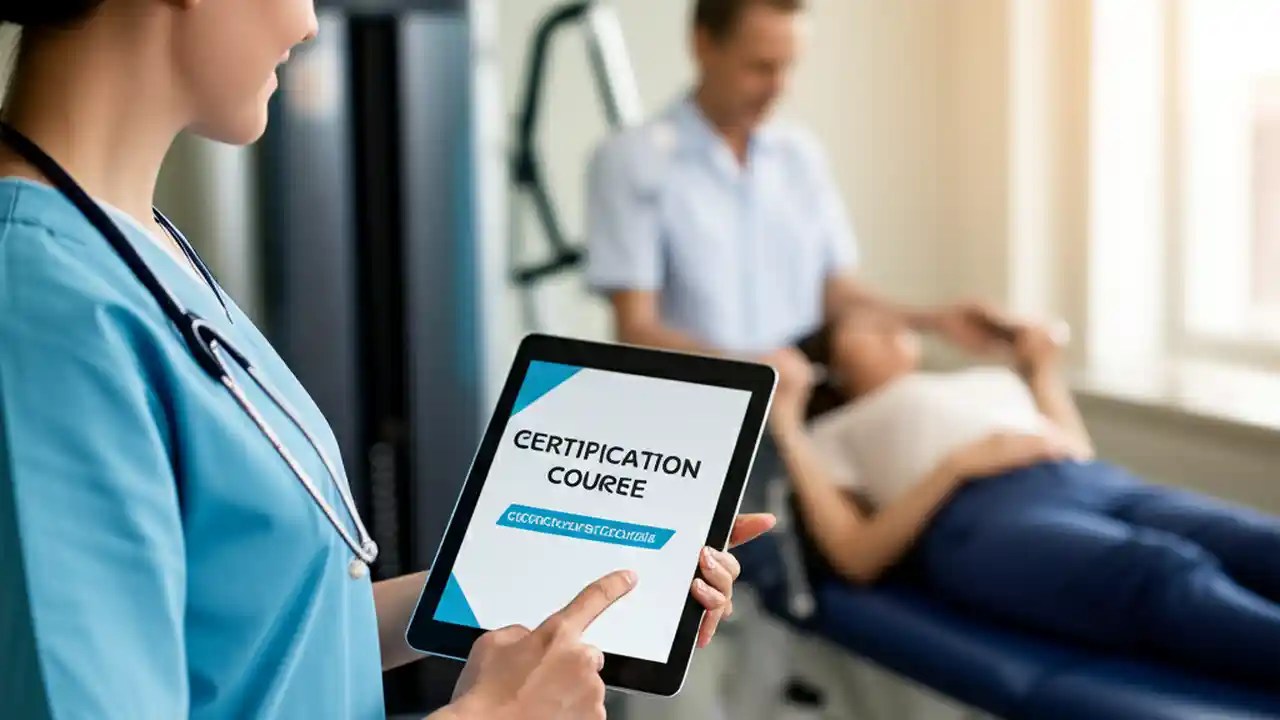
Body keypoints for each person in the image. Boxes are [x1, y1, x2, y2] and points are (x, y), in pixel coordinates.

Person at [0, 2, 773, 719]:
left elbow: (272, 638)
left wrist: (552, 574)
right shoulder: (42, 309)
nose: (308, 23)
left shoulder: (138, 249)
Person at [768, 306, 1280, 686]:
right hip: (980, 515)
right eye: (857, 327)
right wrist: (787, 421)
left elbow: (1073, 447)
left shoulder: (972, 380)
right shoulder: (836, 428)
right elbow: (855, 557)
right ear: (828, 367)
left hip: (1094, 481)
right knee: (1162, 572)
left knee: (1256, 540)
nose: (889, 322)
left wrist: (1039, 369)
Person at [586, 0, 1010, 383]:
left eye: (789, 67)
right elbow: (636, 330)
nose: (779, 87)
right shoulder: (633, 161)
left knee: (924, 391)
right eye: (761, 67)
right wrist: (750, 372)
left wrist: (936, 321)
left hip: (811, 392)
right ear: (704, 45)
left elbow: (837, 294)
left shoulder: (800, 157)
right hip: (707, 395)